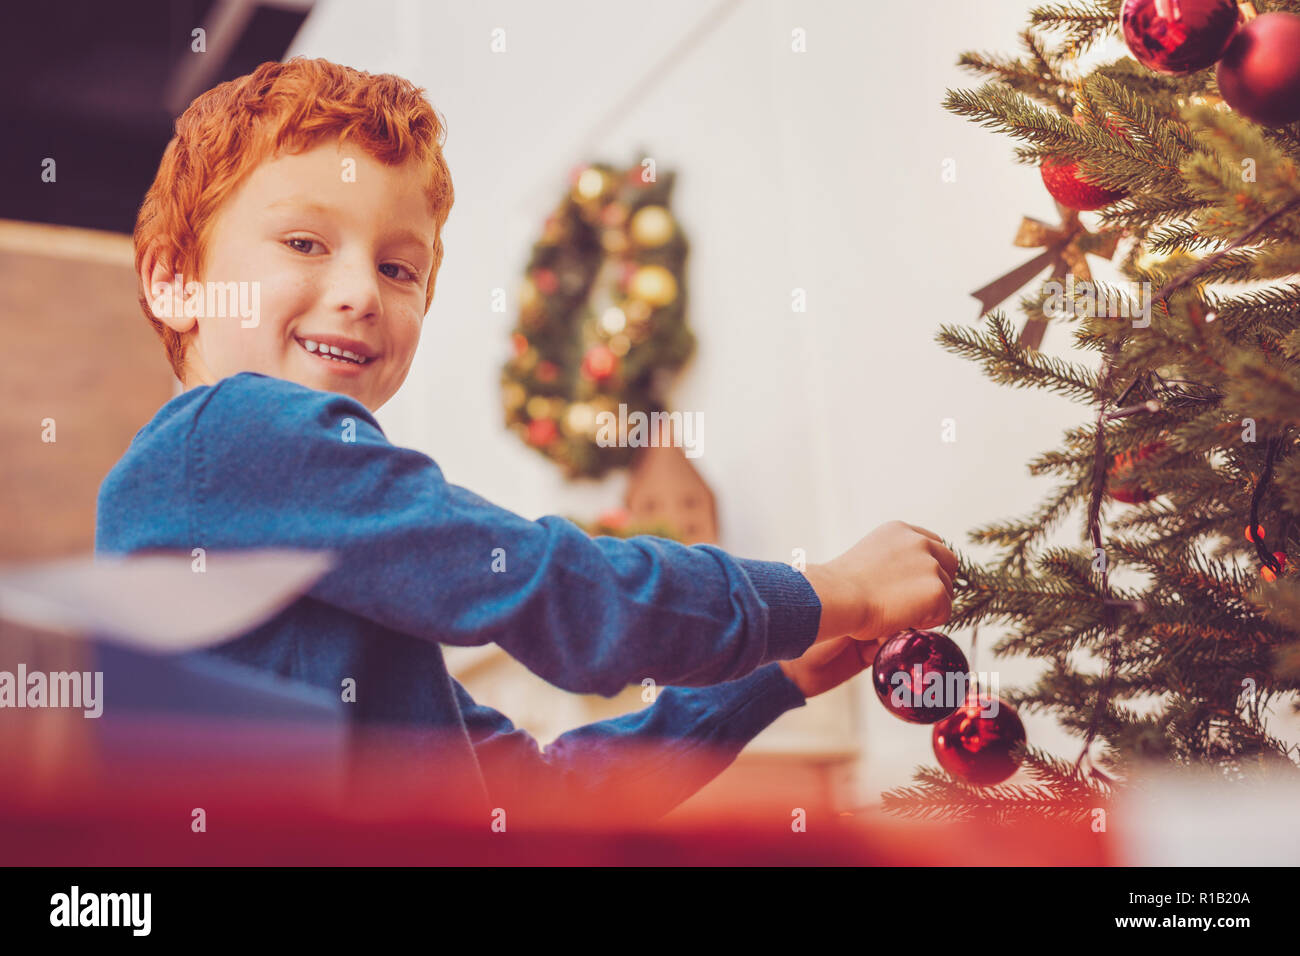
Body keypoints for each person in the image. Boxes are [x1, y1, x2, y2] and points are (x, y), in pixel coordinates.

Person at [96, 57, 957, 826]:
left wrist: (777, 677)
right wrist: (834, 589)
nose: (361, 291)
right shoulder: (231, 434)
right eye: (304, 242)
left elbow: (532, 796)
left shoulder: (297, 540)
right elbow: (560, 593)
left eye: (400, 268)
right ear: (174, 281)